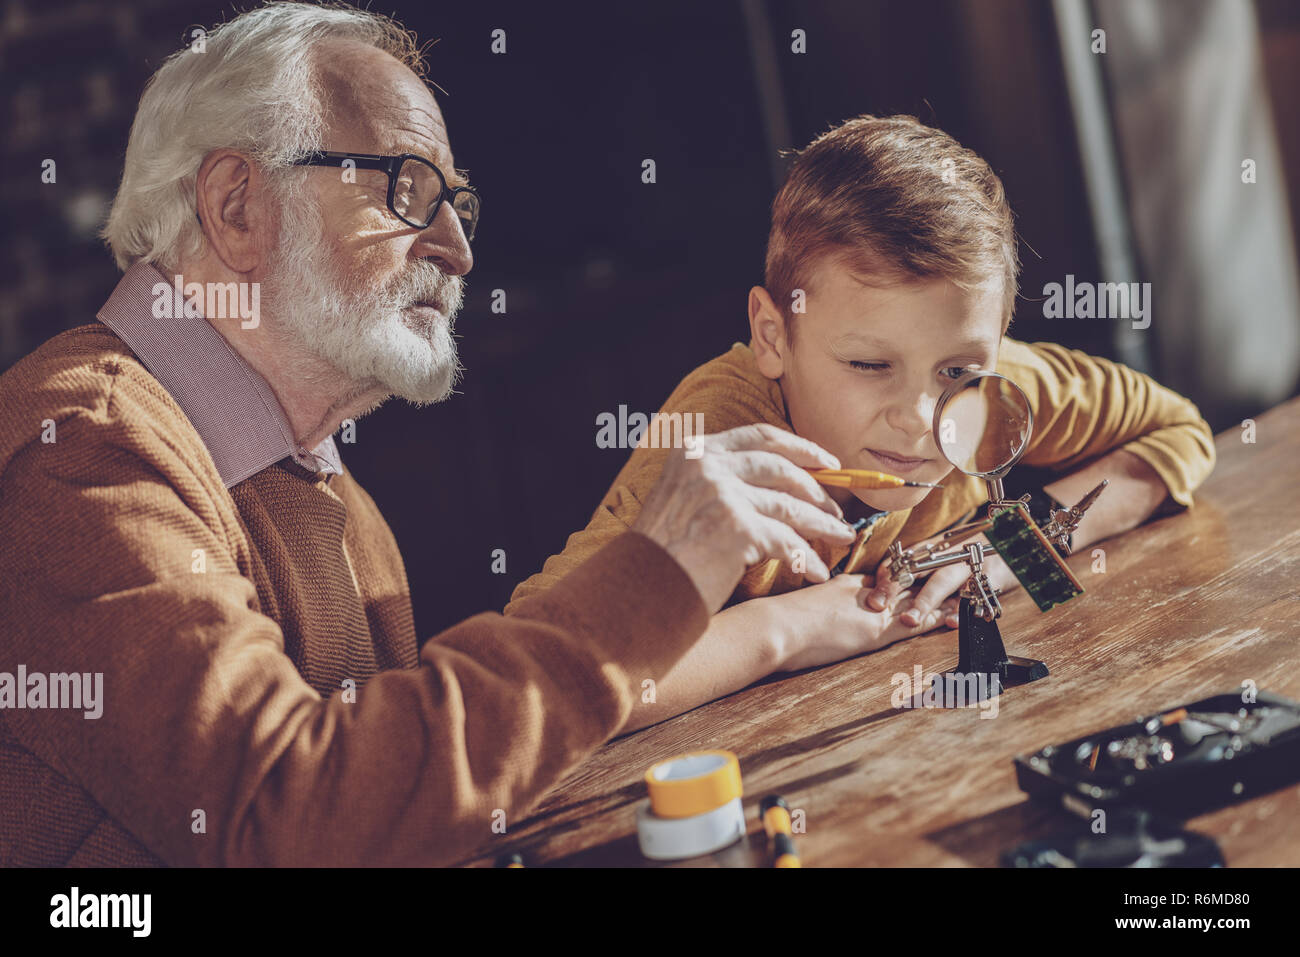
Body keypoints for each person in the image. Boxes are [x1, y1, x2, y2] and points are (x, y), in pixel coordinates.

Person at [0, 3, 857, 867]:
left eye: (459, 204)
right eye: (409, 187)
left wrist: (794, 622)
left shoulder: (342, 505)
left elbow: (394, 819)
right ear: (236, 208)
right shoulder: (80, 449)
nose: (456, 248)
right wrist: (655, 572)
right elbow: (287, 813)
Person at [507, 114, 1217, 731]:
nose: (919, 420)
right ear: (773, 334)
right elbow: (541, 687)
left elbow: (1178, 432)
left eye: (959, 371)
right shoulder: (715, 437)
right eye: (869, 366)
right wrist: (788, 627)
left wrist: (1018, 544)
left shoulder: (992, 396)